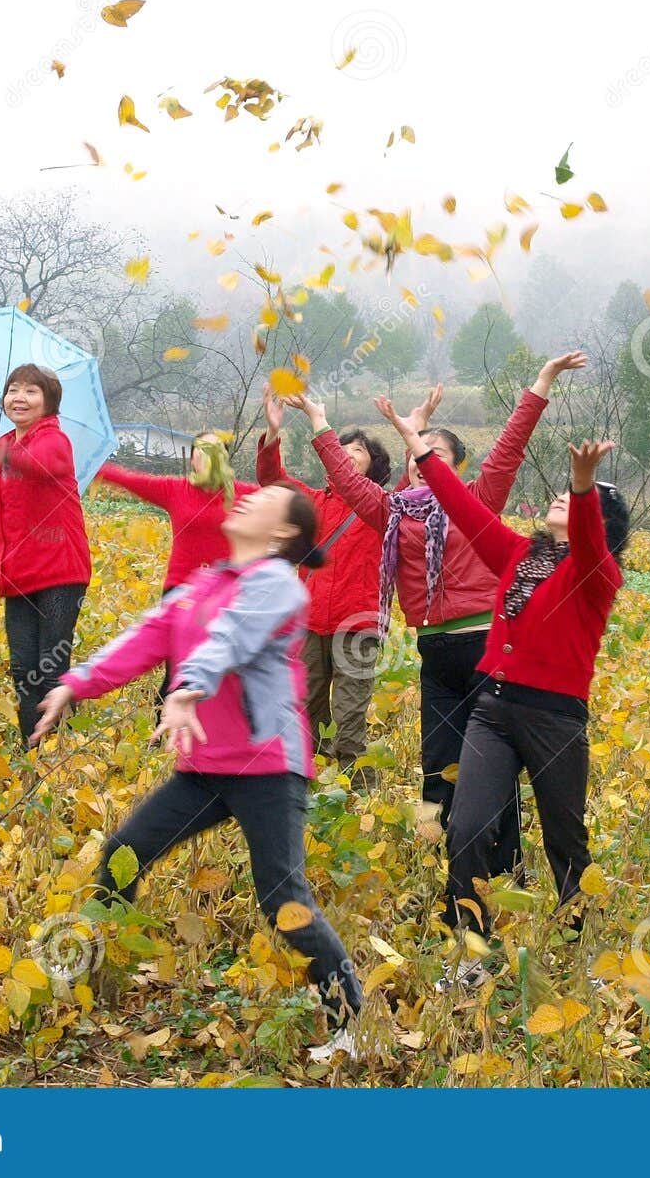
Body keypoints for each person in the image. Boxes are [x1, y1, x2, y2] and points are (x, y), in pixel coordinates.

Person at [32, 484, 363, 1062]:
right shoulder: (204, 583)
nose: (244, 499)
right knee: (124, 851)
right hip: (206, 767)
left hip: (266, 767)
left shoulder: (277, 585)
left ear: (284, 532)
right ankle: (93, 973)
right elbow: (145, 638)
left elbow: (229, 639)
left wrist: (187, 688)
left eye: (264, 500)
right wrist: (74, 683)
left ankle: (351, 1023)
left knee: (282, 896)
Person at [282, 352, 587, 877]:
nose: (421, 459)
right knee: (435, 760)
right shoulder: (394, 516)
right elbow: (350, 483)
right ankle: (438, 848)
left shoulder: (479, 500)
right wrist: (318, 422)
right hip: (436, 653)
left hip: (484, 650)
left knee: (493, 764)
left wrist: (541, 382)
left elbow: (511, 446)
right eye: (415, 454)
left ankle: (507, 860)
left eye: (434, 453)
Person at [375, 395, 628, 993]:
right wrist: (417, 446)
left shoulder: (596, 573)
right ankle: (470, 951)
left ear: (603, 523)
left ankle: (581, 948)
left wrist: (585, 483)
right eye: (565, 495)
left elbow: (589, 539)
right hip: (493, 708)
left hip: (554, 719)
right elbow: (463, 509)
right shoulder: (519, 553)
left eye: (576, 502)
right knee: (467, 827)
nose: (561, 501)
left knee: (566, 839)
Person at [257, 385, 388, 783]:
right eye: (342, 448)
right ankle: (312, 782)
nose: (347, 454)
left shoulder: (382, 507)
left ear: (375, 467)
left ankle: (358, 792)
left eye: (358, 451)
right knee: (306, 705)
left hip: (357, 624)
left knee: (350, 713)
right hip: (310, 621)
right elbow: (272, 480)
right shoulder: (313, 501)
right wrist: (274, 431)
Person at [0, 363, 91, 749]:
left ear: (48, 401)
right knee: (23, 666)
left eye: (30, 391)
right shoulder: (4, 444)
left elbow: (43, 467)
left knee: (50, 665)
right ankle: (31, 748)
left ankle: (53, 751)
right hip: (16, 573)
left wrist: (2, 457)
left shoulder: (55, 440)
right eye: (13, 390)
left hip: (59, 570)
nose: (19, 398)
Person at [95, 432, 258, 705]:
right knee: (177, 666)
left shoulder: (244, 495)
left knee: (217, 667)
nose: (202, 455)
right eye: (197, 450)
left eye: (211, 450)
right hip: (181, 590)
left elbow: (283, 498)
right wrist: (90, 465)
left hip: (225, 594)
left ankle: (210, 729)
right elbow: (129, 479)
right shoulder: (176, 489)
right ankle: (165, 732)